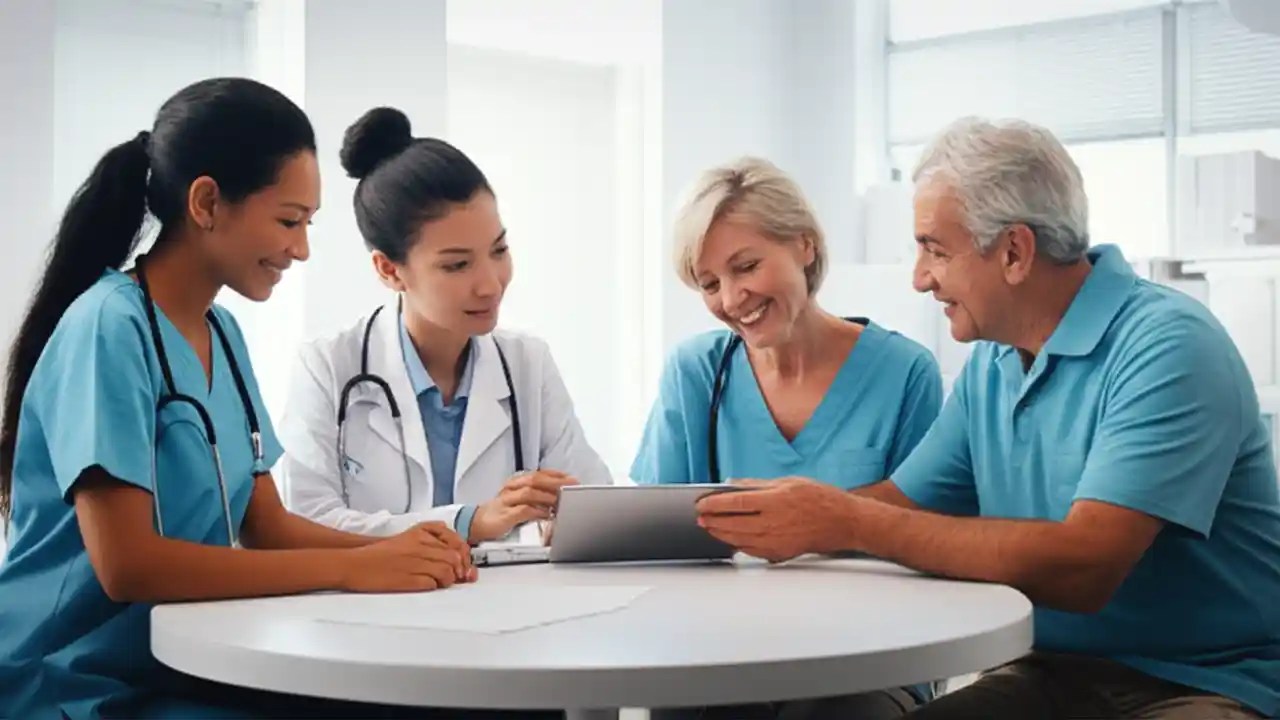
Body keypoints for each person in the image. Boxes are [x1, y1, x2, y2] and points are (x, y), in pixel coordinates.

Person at [696, 118, 1280, 720]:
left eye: (934, 250)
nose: (920, 278)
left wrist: (845, 520)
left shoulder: (1167, 346)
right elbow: (901, 505)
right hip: (1050, 674)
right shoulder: (993, 365)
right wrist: (787, 520)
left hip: (1209, 683)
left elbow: (1086, 566)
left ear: (1014, 252)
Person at [0, 78, 479, 720]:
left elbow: (266, 525)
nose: (300, 249)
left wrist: (397, 550)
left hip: (175, 665)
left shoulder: (221, 333)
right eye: (288, 221)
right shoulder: (108, 327)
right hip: (70, 682)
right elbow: (128, 565)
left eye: (307, 225)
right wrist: (352, 569)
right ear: (206, 203)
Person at [632, 156, 943, 719]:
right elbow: (653, 538)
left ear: (804, 244)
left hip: (867, 657)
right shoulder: (695, 373)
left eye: (746, 266)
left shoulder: (905, 374)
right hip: (724, 655)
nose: (732, 299)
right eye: (709, 284)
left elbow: (926, 541)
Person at [280, 107, 611, 545]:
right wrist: (470, 521)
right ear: (389, 270)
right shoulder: (328, 365)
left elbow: (596, 506)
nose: (490, 284)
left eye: (499, 250)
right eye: (457, 265)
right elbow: (305, 524)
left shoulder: (527, 363)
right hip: (374, 592)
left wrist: (563, 522)